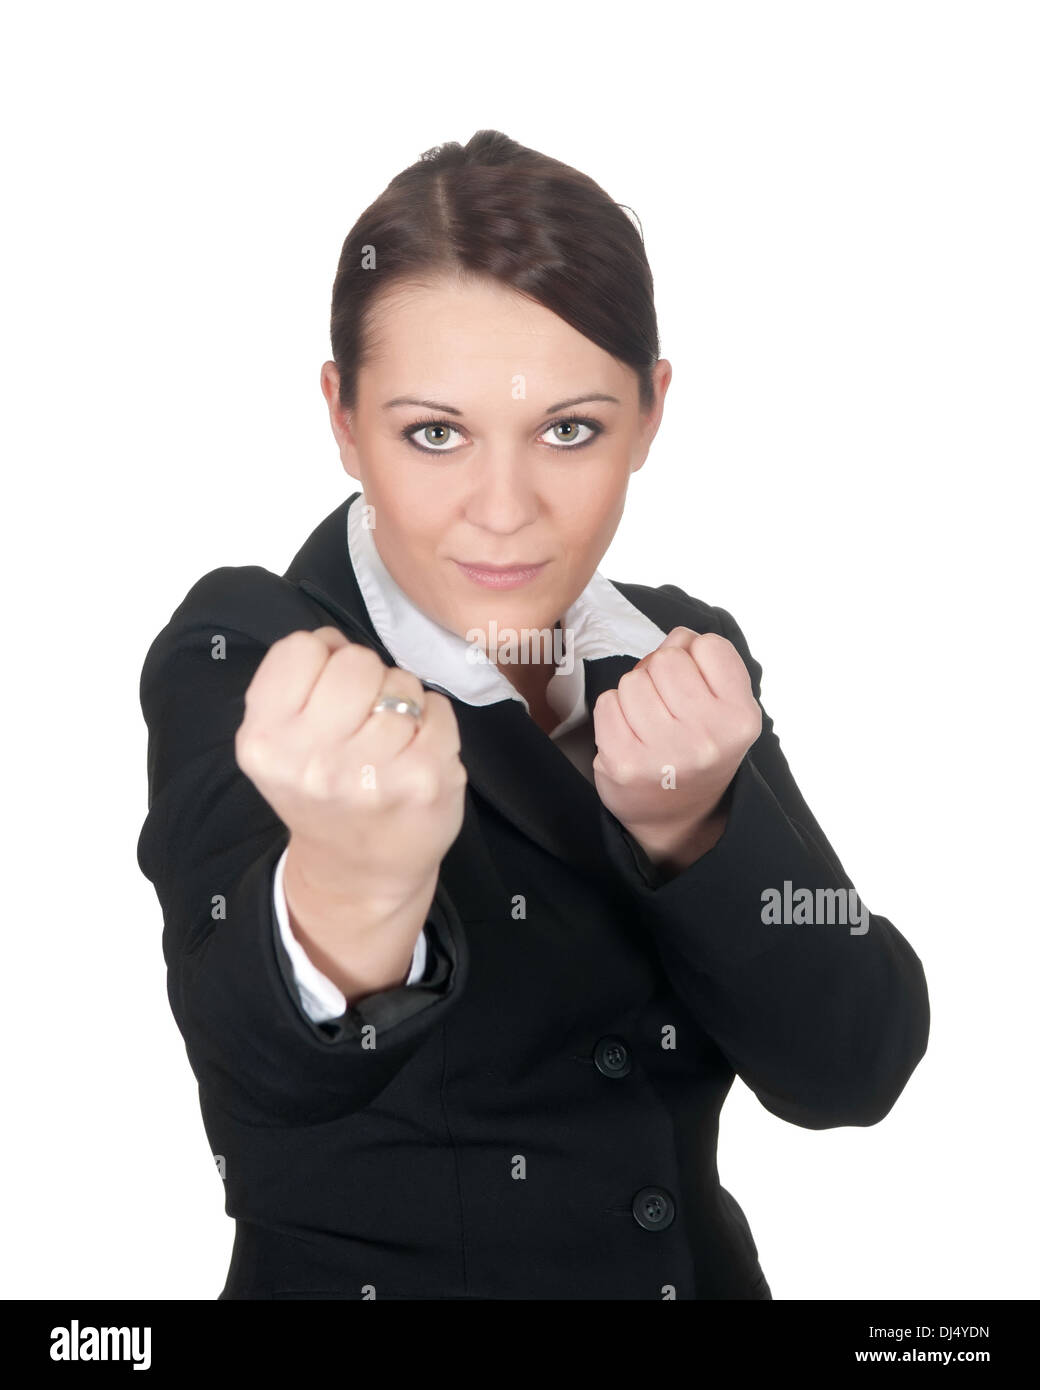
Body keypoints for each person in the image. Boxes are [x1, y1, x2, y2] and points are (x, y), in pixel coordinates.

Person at [136, 129, 929, 1300]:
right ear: (342, 418)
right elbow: (257, 1069)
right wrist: (352, 891)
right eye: (434, 433)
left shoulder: (679, 647)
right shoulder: (248, 646)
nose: (503, 512)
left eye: (568, 429)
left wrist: (696, 831)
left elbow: (850, 1067)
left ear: (650, 413)